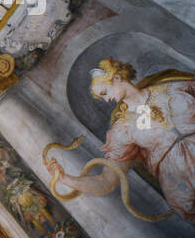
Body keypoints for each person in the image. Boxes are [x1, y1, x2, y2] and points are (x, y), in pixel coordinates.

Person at [46, 59, 195, 221]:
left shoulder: (171, 87)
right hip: (184, 187)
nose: (107, 99)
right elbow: (107, 182)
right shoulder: (123, 128)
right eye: (102, 98)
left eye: (105, 92)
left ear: (116, 78)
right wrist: (64, 178)